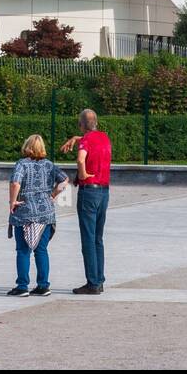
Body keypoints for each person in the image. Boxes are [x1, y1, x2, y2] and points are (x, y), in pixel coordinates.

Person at [6, 134, 69, 297]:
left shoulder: (22, 164)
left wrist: (12, 201)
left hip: (25, 212)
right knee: (41, 250)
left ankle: (22, 286)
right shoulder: (49, 165)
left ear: (26, 146)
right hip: (45, 213)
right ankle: (43, 285)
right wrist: (53, 194)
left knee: (23, 250)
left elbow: (15, 183)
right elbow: (65, 180)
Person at [60, 109, 111, 295]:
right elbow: (88, 140)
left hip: (89, 192)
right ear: (96, 123)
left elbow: (81, 159)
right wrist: (76, 138)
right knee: (98, 238)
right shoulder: (104, 137)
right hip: (104, 192)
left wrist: (81, 173)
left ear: (81, 124)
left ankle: (92, 283)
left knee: (88, 238)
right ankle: (100, 279)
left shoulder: (87, 141)